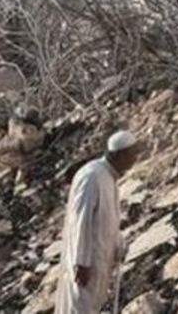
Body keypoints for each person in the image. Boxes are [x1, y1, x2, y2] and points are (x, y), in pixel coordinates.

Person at [55, 130, 141, 314]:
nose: (135, 158)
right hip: (87, 261)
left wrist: (119, 244)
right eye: (132, 154)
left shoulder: (109, 176)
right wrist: (81, 262)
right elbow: (81, 219)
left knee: (93, 304)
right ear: (120, 154)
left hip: (100, 256)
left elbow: (109, 218)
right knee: (79, 305)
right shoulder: (92, 176)